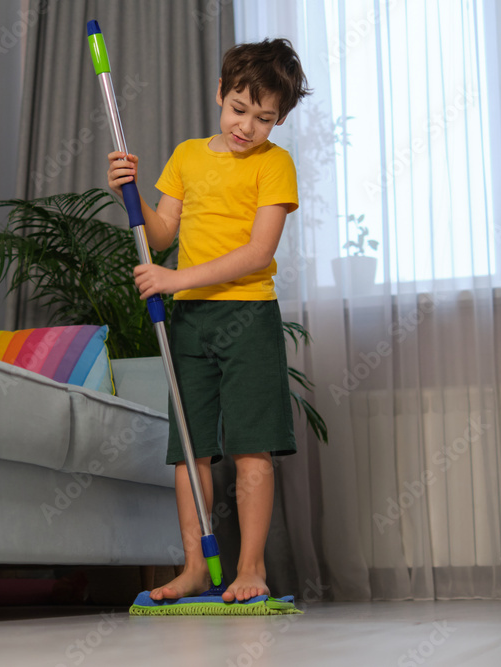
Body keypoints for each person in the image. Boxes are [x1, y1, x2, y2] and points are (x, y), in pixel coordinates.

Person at [106, 38, 310, 603]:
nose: (247, 126)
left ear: (280, 119)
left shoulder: (276, 165)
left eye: (265, 118)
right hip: (192, 321)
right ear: (220, 93)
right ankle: (196, 566)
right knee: (189, 448)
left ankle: (250, 568)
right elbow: (162, 235)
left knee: (252, 446)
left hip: (248, 317)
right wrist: (131, 194)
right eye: (239, 109)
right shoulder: (187, 155)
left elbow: (258, 253)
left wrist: (174, 280)